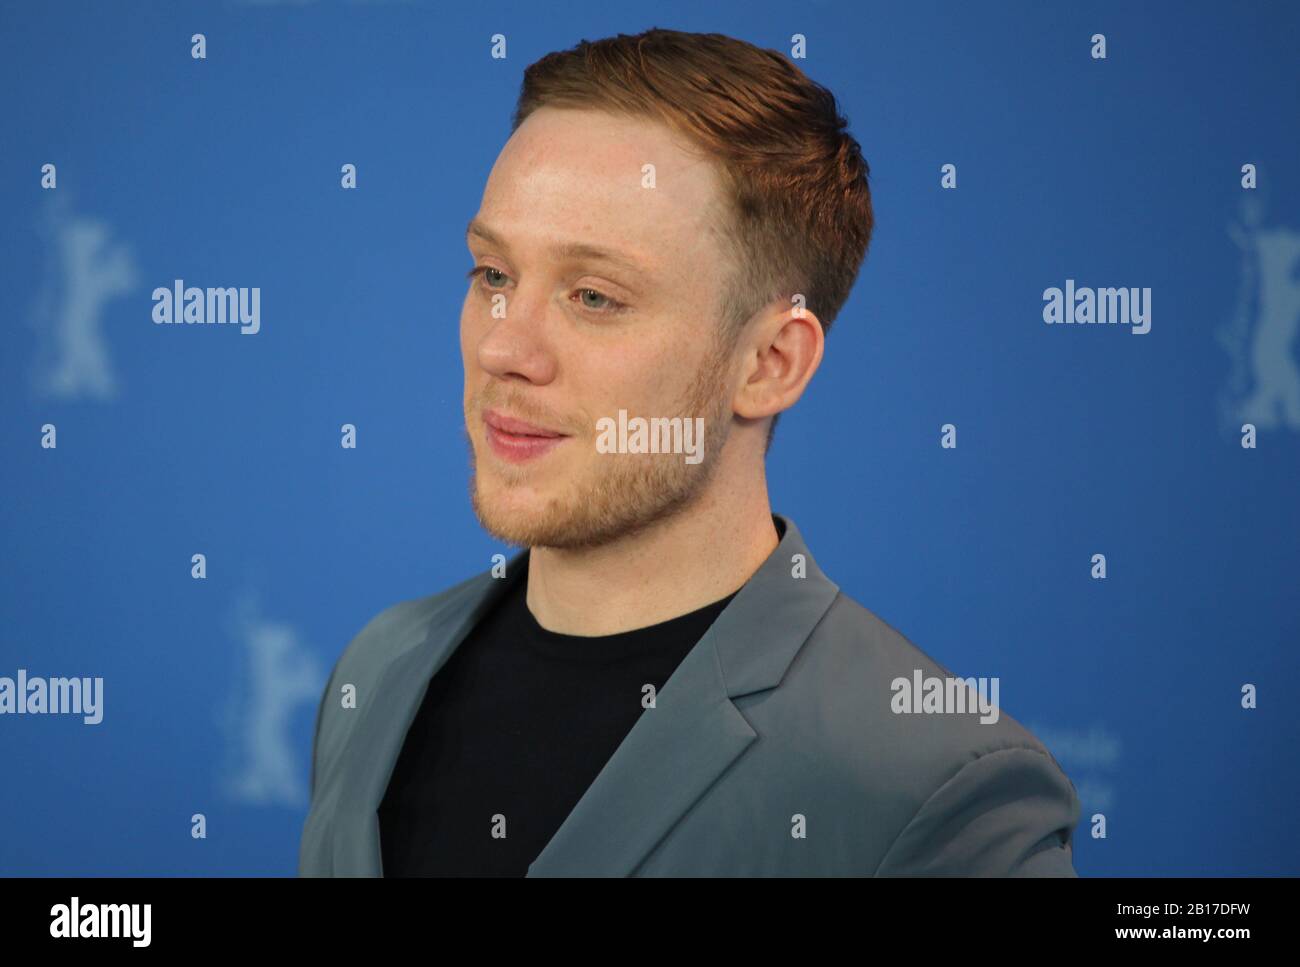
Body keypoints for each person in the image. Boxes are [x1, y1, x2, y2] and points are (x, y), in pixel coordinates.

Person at [299, 27, 1080, 877]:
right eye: (493, 275)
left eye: (594, 295)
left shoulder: (933, 786)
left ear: (769, 363)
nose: (503, 349)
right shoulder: (378, 670)